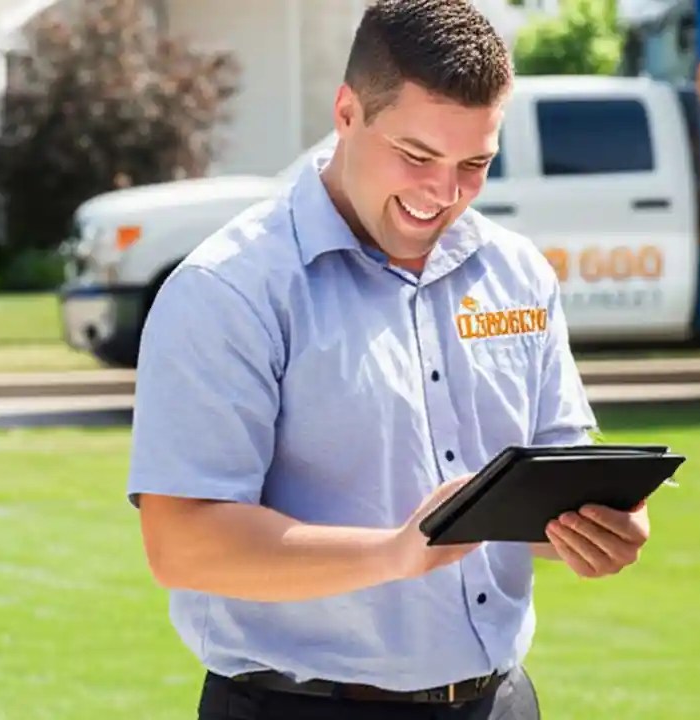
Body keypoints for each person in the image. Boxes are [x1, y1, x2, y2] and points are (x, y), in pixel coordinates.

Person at [126, 1, 654, 717]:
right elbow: (182, 543)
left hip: (499, 700)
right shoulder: (229, 289)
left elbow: (556, 471)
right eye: (417, 156)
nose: (444, 194)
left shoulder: (518, 273)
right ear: (347, 113)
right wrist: (392, 554)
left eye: (475, 163)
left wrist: (594, 527)